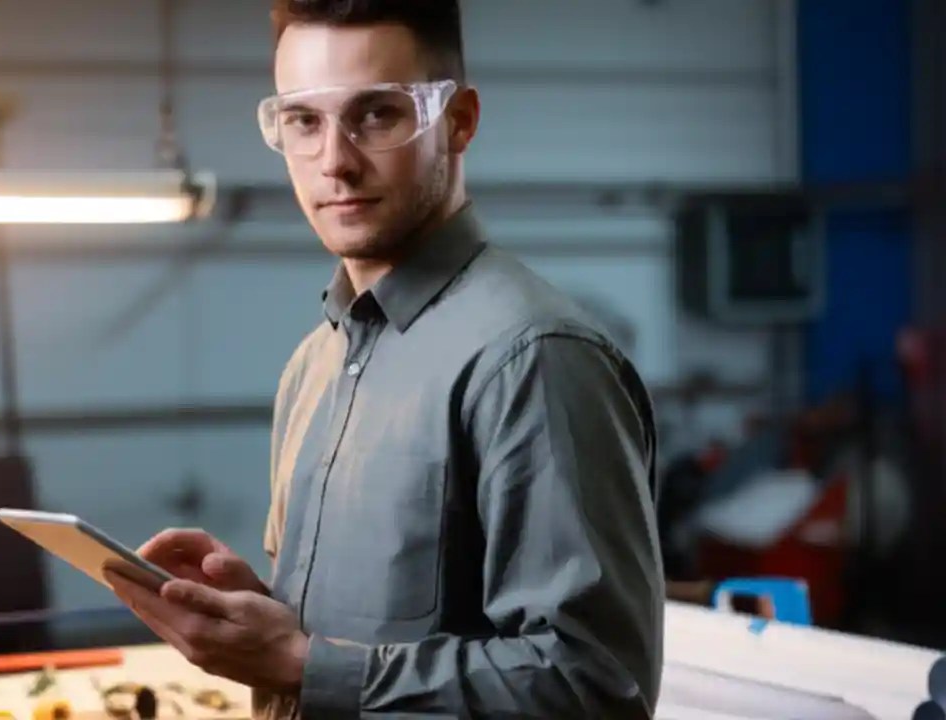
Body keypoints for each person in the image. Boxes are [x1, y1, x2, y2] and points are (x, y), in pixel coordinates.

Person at [106, 0, 665, 717]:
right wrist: (265, 616)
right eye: (304, 121)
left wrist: (303, 662)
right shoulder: (317, 362)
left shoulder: (534, 360)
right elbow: (365, 639)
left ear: (458, 120)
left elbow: (593, 685)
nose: (334, 160)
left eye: (377, 114)